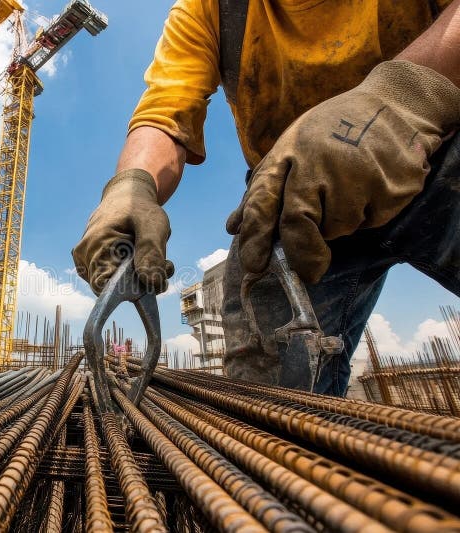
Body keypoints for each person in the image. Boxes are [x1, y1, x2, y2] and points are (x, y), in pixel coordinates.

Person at [72, 0, 460, 396]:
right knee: (267, 388)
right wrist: (132, 187)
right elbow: (166, 112)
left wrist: (397, 97)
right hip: (291, 202)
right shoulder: (208, 9)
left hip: (437, 138)